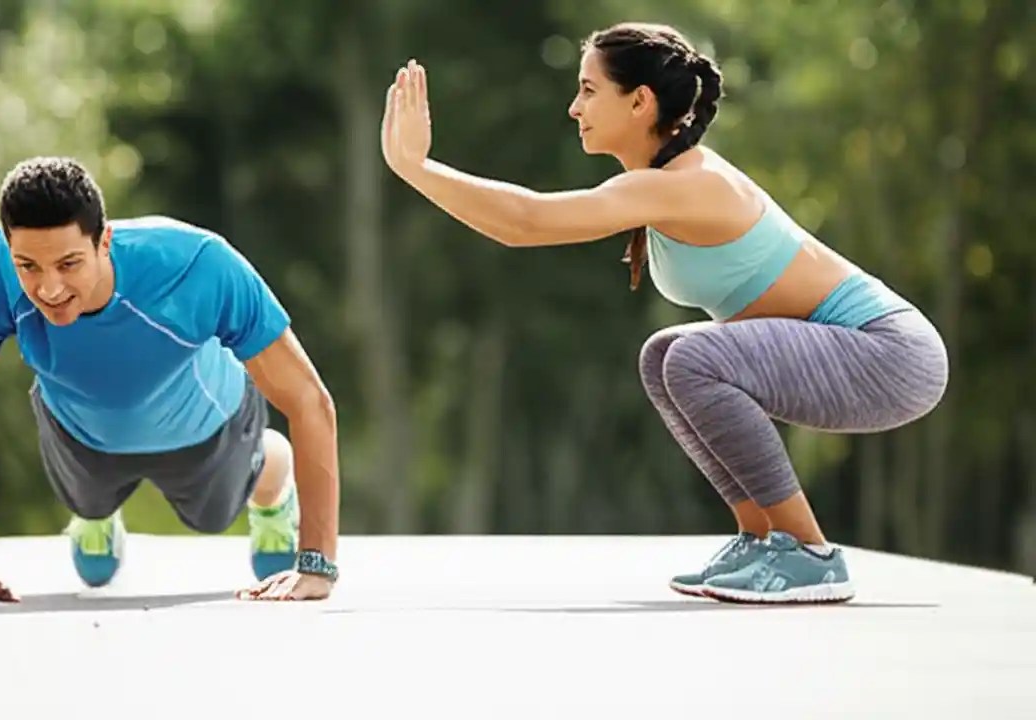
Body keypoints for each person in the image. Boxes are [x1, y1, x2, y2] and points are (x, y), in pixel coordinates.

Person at [380, 23, 948, 604]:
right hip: (863, 353)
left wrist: (418, 169)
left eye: (588, 91)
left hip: (890, 354)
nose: (574, 108)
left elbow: (525, 223)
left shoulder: (688, 184)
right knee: (664, 356)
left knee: (694, 359)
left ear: (640, 101)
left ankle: (809, 552)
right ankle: (762, 539)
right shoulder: (661, 181)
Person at [0, 156, 340, 604]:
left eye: (68, 263)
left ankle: (271, 474)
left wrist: (316, 564)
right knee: (93, 549)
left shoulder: (198, 266)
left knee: (213, 517)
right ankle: (95, 512)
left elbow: (309, 400)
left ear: (104, 241)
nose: (49, 288)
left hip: (203, 426)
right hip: (78, 429)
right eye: (28, 267)